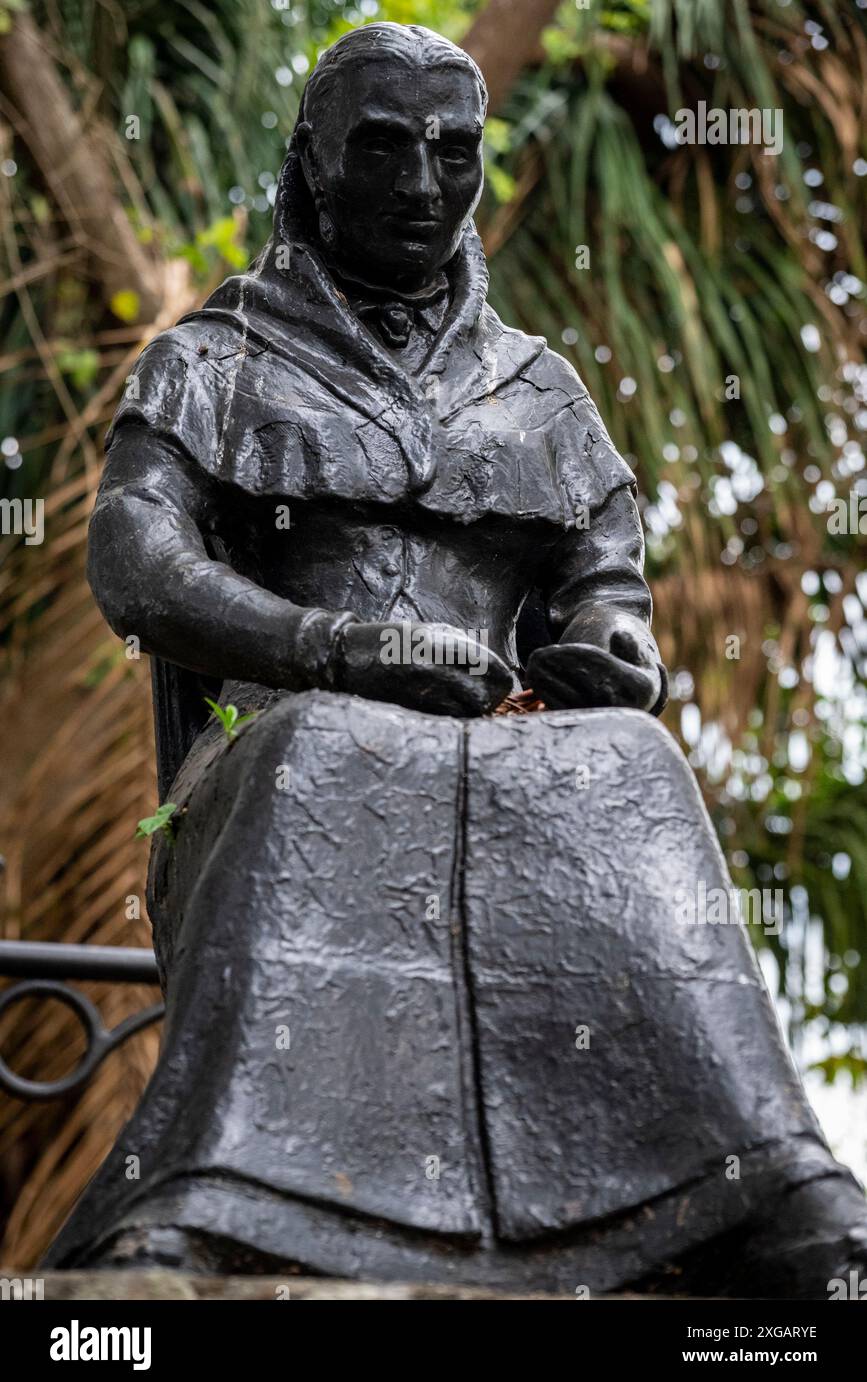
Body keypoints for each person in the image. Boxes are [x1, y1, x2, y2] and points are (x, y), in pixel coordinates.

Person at [47, 24, 867, 1297]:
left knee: (626, 763)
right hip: (275, 753)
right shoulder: (213, 360)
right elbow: (133, 561)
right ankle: (214, 1196)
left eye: (454, 151)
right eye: (382, 149)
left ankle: (755, 1179)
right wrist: (326, 648)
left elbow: (606, 594)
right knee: (325, 742)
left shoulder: (540, 392)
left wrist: (611, 654)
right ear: (311, 167)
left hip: (505, 745)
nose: (423, 184)